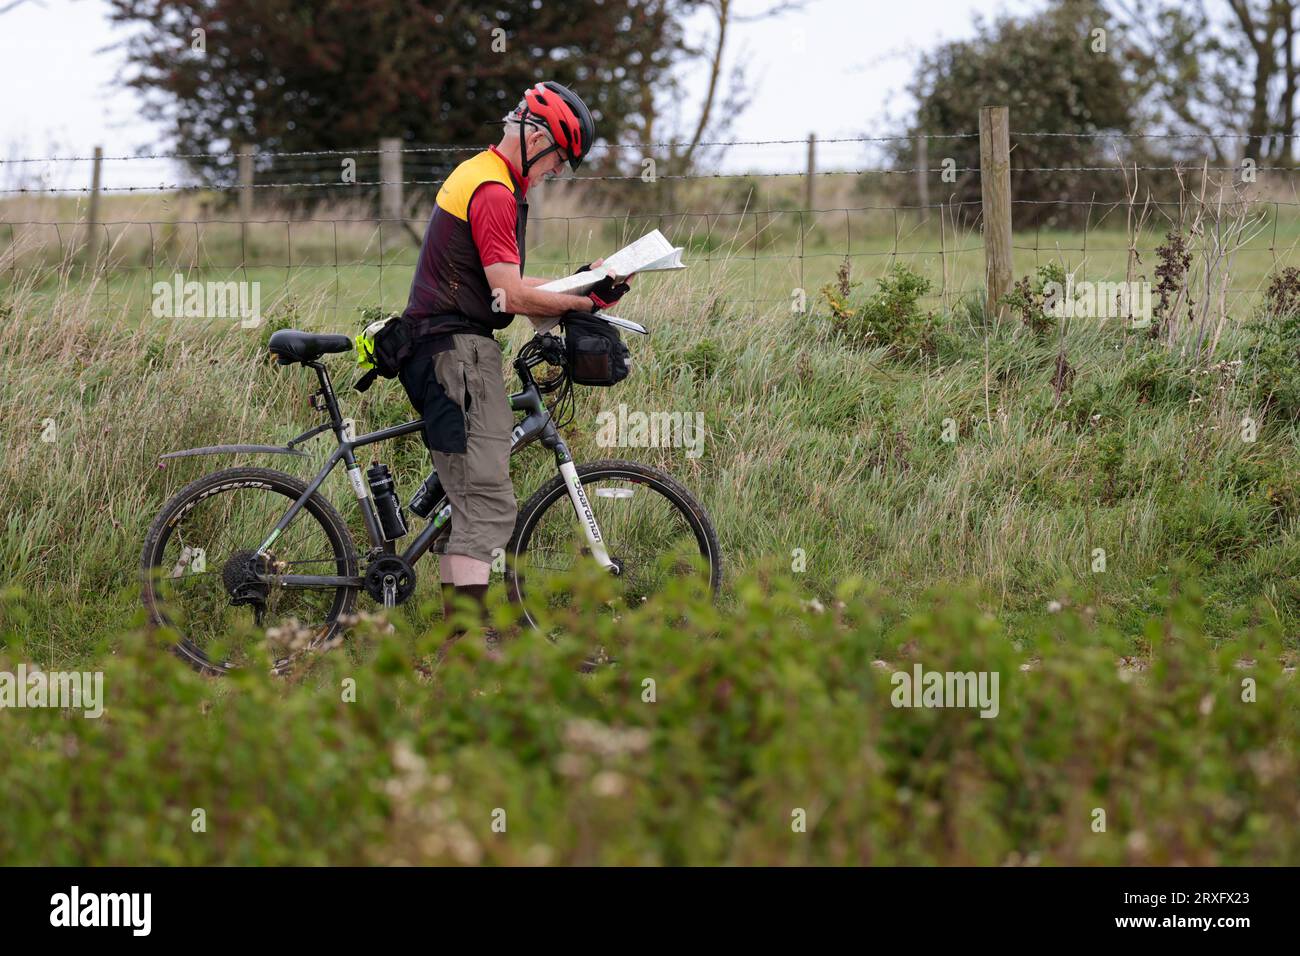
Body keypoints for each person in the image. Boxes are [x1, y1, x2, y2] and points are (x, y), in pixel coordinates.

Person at [397, 81, 631, 636]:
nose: (555, 173)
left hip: (446, 347)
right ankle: (465, 651)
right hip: (457, 352)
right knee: (487, 504)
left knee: (474, 501)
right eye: (558, 160)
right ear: (535, 137)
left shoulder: (483, 175)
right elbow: (514, 295)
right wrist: (580, 301)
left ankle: (462, 643)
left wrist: (591, 284)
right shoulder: (495, 192)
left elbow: (508, 289)